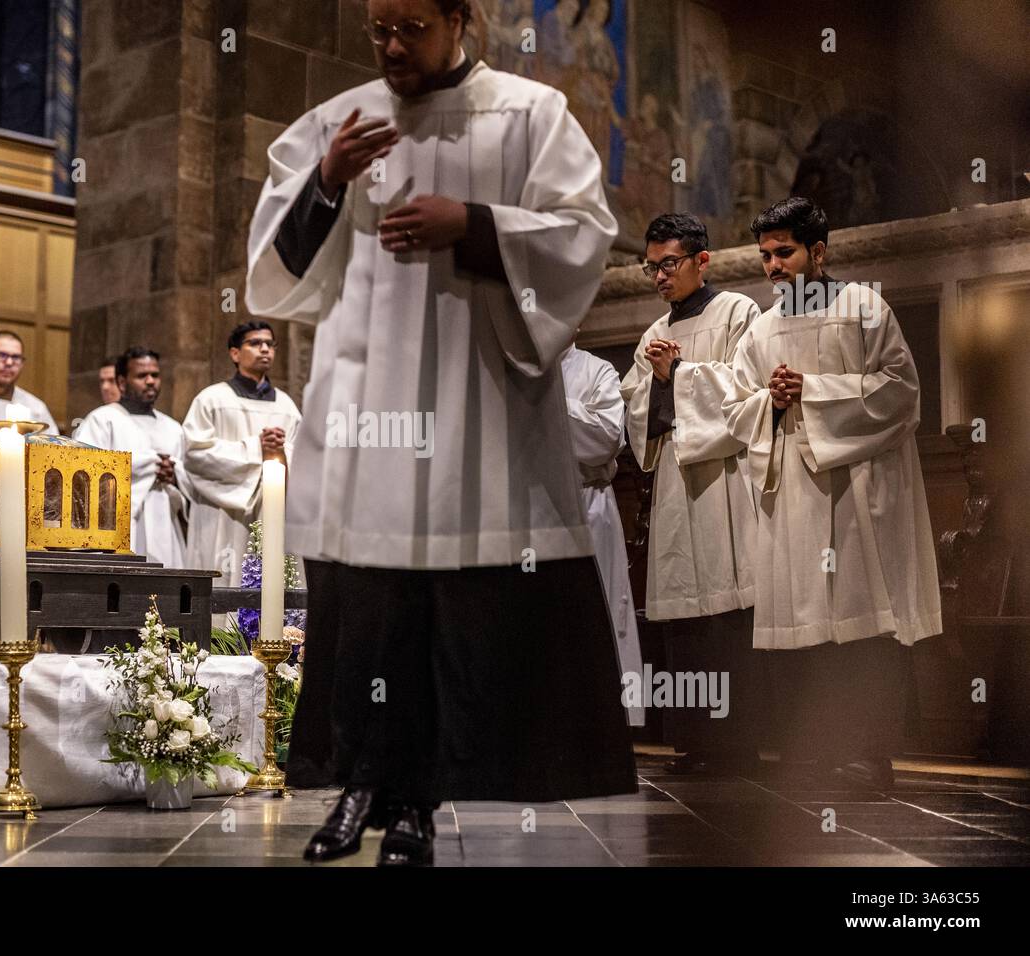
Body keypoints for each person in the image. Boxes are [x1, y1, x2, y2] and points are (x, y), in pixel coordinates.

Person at [245, 0, 635, 867]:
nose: (391, 46)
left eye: (410, 27)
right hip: (367, 415)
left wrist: (478, 226)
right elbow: (271, 278)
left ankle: (417, 804)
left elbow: (582, 238)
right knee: (371, 617)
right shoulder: (337, 123)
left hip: (473, 411)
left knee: (446, 618)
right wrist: (328, 181)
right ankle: (359, 787)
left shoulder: (531, 115)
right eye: (378, 29)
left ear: (462, 19)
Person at [724, 197, 941, 790]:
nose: (773, 266)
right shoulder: (760, 331)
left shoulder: (864, 308)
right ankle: (809, 755)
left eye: (784, 252)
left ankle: (868, 758)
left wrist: (813, 390)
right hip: (792, 495)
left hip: (855, 495)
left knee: (859, 626)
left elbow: (902, 393)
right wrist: (767, 400)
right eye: (765, 255)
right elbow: (734, 409)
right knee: (802, 624)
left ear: (818, 251)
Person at [618, 213, 762, 774]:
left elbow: (744, 390)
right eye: (651, 266)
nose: (658, 276)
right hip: (677, 485)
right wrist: (657, 382)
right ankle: (697, 743)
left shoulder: (738, 313)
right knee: (683, 617)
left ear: (702, 261)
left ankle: (740, 744)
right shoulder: (653, 335)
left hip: (725, 479)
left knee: (729, 612)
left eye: (668, 264)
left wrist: (676, 375)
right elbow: (635, 414)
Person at [560, 341, 645, 727]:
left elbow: (606, 439)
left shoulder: (597, 371)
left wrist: (548, 399)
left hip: (587, 503)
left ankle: (603, 722)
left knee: (599, 614)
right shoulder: (516, 374)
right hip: (530, 508)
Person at [181, 321, 301, 585]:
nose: (265, 349)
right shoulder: (211, 399)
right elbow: (194, 454)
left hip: (272, 511)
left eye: (270, 344)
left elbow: (303, 459)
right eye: (255, 343)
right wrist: (256, 448)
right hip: (223, 515)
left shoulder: (287, 406)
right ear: (235, 353)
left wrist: (281, 452)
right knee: (224, 582)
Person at [72, 347, 189, 567]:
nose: (150, 381)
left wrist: (173, 474)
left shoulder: (173, 428)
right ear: (122, 382)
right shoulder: (102, 420)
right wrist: (147, 466)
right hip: (119, 526)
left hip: (165, 525)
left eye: (155, 375)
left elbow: (188, 482)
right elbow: (84, 475)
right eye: (141, 376)